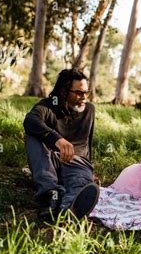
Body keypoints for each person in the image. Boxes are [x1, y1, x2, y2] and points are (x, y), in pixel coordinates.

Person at [23, 69, 99, 220]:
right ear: (64, 92)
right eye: (78, 92)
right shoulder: (47, 106)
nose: (84, 97)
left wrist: (89, 168)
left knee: (80, 184)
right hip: (49, 161)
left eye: (86, 92)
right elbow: (30, 121)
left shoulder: (89, 110)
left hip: (76, 162)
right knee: (32, 136)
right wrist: (56, 139)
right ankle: (50, 197)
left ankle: (68, 211)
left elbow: (87, 142)